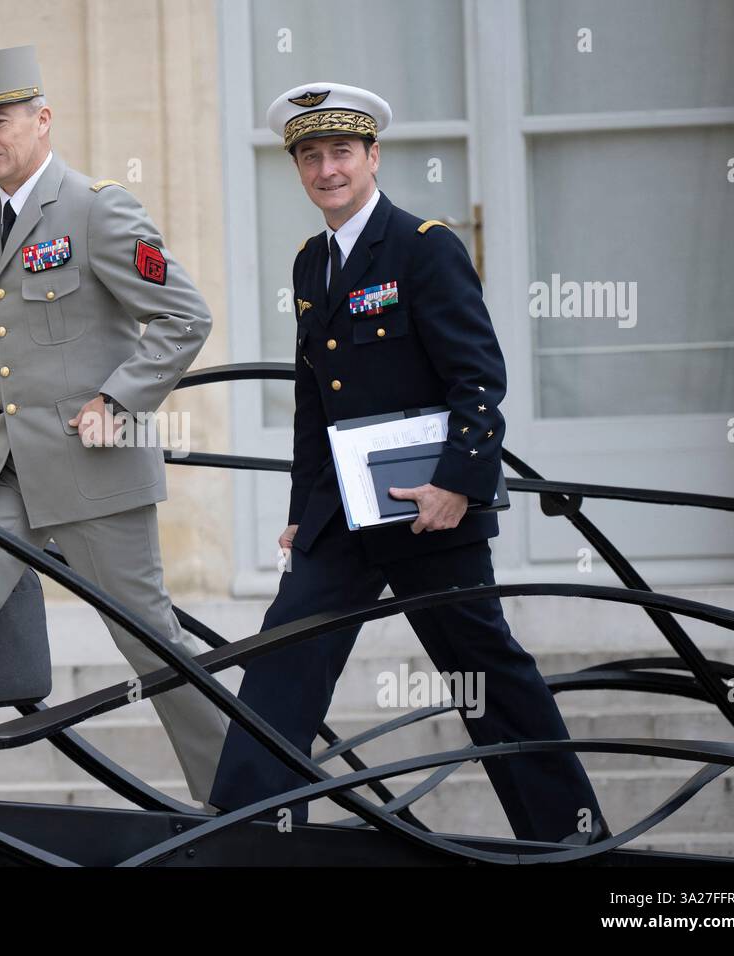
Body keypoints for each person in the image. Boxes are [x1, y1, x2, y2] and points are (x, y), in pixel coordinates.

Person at [208, 82, 611, 844]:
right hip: (342, 514)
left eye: (340, 153)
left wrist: (459, 485)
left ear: (372, 156)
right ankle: (248, 829)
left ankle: (572, 834)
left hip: (430, 510)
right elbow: (311, 402)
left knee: (485, 674)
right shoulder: (310, 264)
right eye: (310, 156)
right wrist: (300, 511)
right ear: (297, 168)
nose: (327, 169)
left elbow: (479, 379)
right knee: (283, 652)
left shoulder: (425, 246)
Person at [0, 45, 227, 805]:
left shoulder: (98, 207)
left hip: (93, 468)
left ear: (42, 120)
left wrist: (120, 401)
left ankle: (239, 790)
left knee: (148, 640)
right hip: (5, 470)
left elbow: (185, 317)